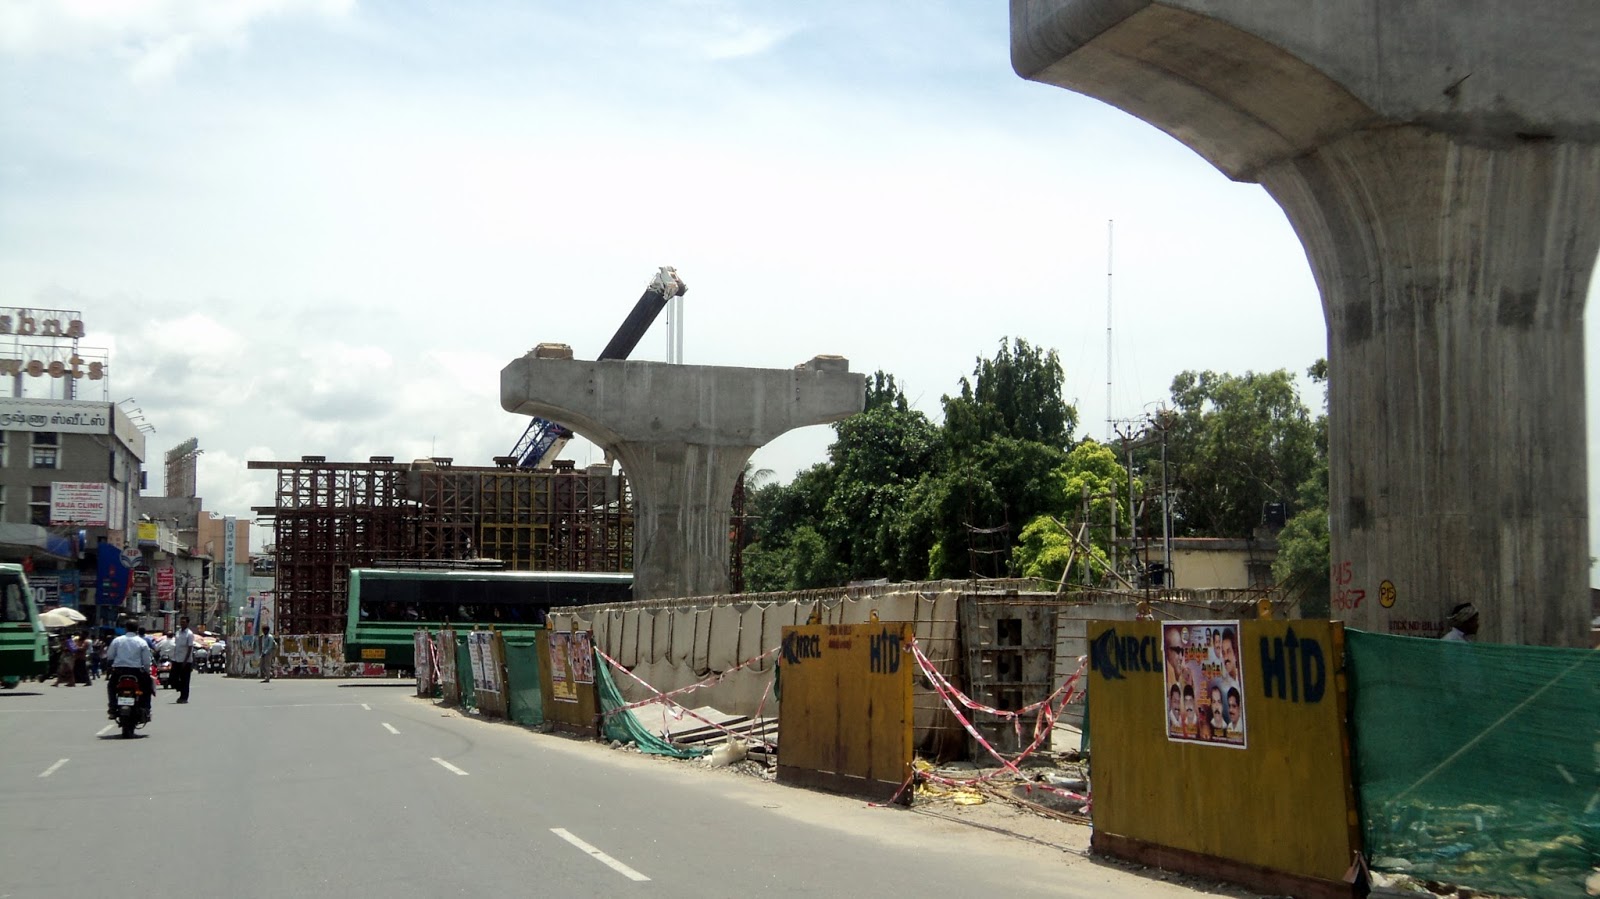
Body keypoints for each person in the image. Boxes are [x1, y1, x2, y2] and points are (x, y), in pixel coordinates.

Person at [105, 626, 155, 718]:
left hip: (119, 671)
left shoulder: (117, 640)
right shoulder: (141, 642)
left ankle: (112, 707)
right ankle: (146, 709)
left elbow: (110, 655)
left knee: (111, 686)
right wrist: (147, 671)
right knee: (147, 687)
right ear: (136, 630)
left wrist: (111, 665)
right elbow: (146, 660)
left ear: (126, 629)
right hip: (136, 671)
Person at [171, 617, 196, 703]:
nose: (182, 624)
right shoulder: (178, 632)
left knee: (185, 680)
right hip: (176, 659)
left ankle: (184, 697)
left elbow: (190, 648)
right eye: (181, 622)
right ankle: (180, 688)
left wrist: (185, 661)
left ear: (187, 623)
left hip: (185, 661)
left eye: (184, 622)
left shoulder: (189, 634)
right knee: (173, 678)